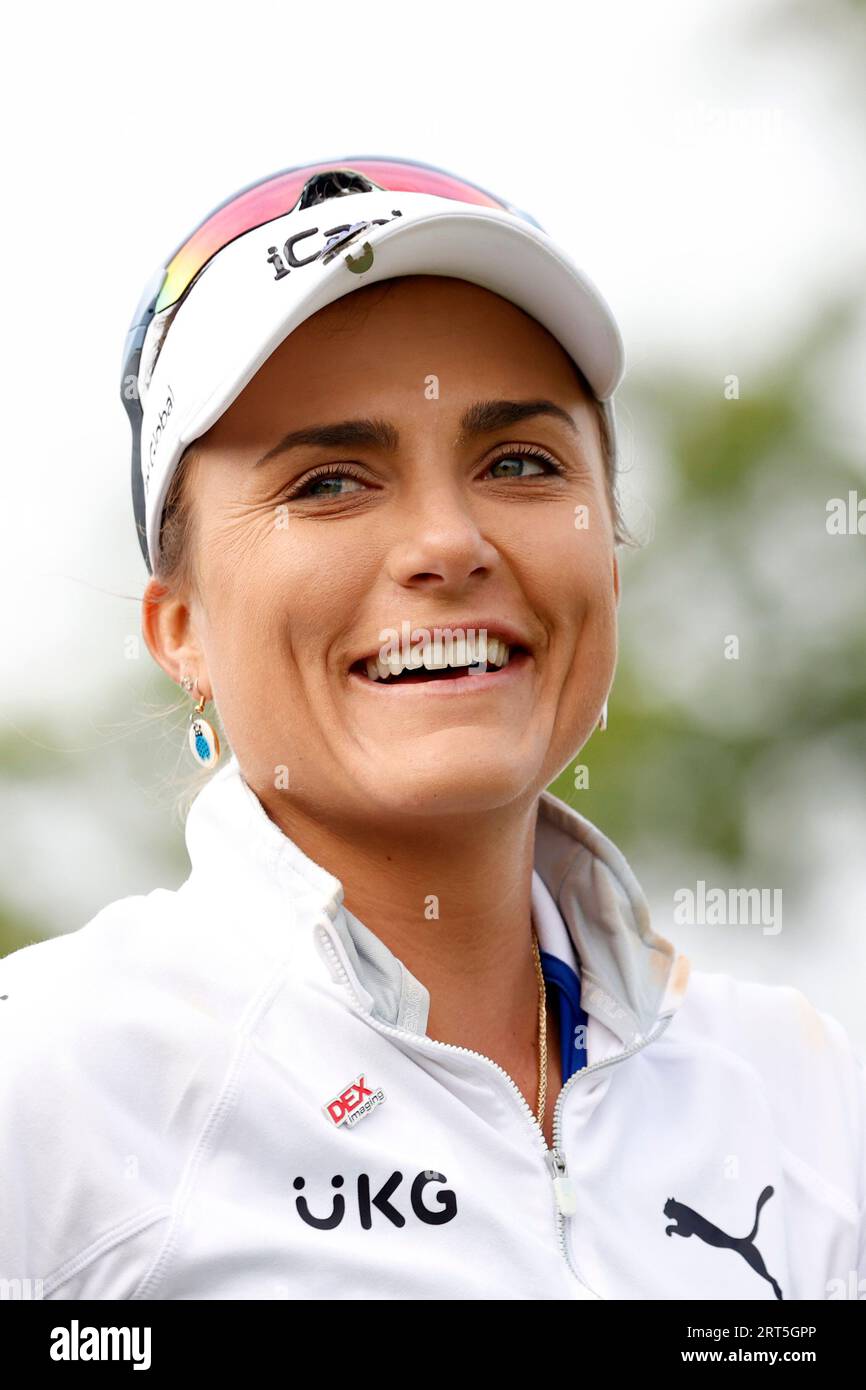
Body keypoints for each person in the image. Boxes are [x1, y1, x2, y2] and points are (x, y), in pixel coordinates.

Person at [1, 157, 863, 1302]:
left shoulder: (802, 1093)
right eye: (327, 482)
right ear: (181, 629)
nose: (446, 544)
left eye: (517, 462)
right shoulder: (53, 1082)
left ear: (609, 545)